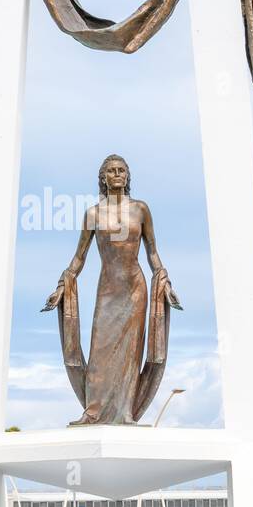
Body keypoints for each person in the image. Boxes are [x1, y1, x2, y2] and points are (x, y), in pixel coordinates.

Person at [43, 155, 181, 425]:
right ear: (103, 178)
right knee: (100, 352)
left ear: (128, 176)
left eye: (121, 170)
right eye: (111, 171)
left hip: (135, 288)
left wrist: (165, 281)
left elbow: (152, 252)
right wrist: (63, 285)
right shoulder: (93, 214)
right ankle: (92, 411)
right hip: (107, 290)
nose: (117, 174)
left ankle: (125, 413)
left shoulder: (141, 210)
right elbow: (79, 257)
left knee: (130, 354)